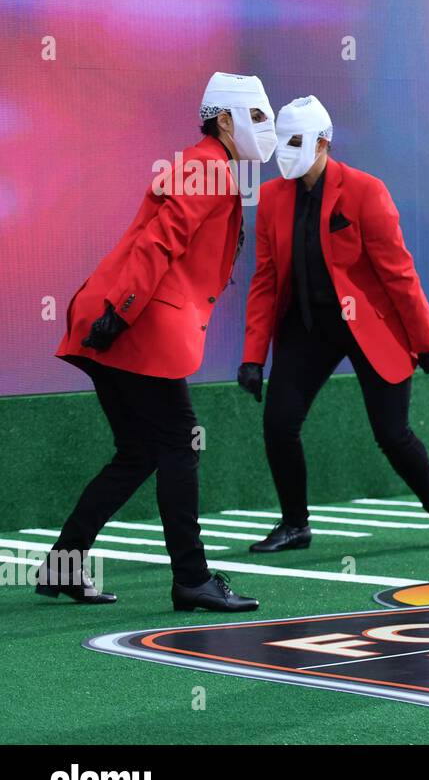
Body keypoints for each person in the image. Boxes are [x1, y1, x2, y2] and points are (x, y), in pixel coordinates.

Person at [37, 72, 273, 612]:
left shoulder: (212, 166)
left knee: (139, 451)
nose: (267, 128)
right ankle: (192, 578)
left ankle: (63, 565)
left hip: (123, 320)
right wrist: (121, 313)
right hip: (134, 324)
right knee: (180, 445)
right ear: (225, 120)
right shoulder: (208, 167)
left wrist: (117, 313)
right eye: (258, 116)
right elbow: (160, 242)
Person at [237, 96, 429, 552]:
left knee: (392, 434)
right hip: (308, 326)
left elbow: (398, 273)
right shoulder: (271, 198)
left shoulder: (365, 191)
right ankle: (295, 524)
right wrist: (252, 357)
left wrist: (427, 341)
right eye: (282, 141)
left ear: (324, 142)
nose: (286, 150)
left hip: (368, 324)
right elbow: (265, 281)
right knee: (279, 423)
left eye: (297, 141)